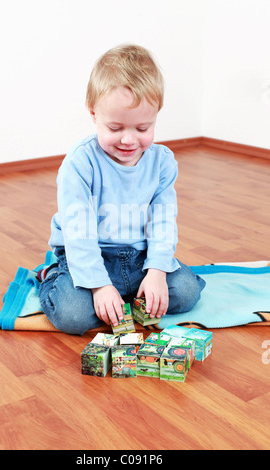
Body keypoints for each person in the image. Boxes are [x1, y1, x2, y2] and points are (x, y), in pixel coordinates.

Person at [38, 44, 206, 335]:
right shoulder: (80, 163)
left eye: (142, 129)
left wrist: (156, 272)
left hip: (139, 256)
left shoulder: (162, 162)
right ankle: (51, 275)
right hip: (89, 253)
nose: (129, 140)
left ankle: (130, 293)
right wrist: (100, 286)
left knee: (187, 292)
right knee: (73, 315)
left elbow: (163, 222)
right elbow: (78, 233)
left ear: (156, 115)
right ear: (93, 114)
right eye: (115, 128)